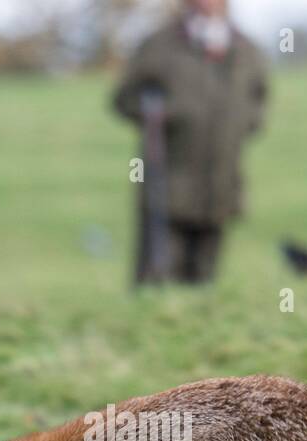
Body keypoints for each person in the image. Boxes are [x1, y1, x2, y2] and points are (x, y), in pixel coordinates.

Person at [112, 0, 268, 285]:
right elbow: (124, 99)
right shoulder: (159, 45)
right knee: (157, 278)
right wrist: (165, 114)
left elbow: (258, 101)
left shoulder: (245, 49)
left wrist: (242, 123)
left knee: (205, 282)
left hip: (219, 184)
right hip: (167, 184)